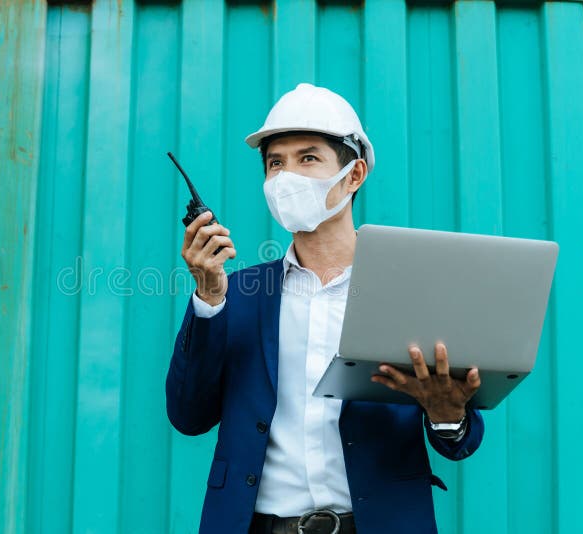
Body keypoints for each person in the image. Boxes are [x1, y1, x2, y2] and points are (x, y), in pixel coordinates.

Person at [166, 83, 485, 534]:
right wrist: (208, 298)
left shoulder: (411, 293)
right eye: (275, 162)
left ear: (354, 176)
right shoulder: (235, 293)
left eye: (308, 158)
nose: (287, 176)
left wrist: (447, 414)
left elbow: (461, 440)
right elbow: (188, 416)